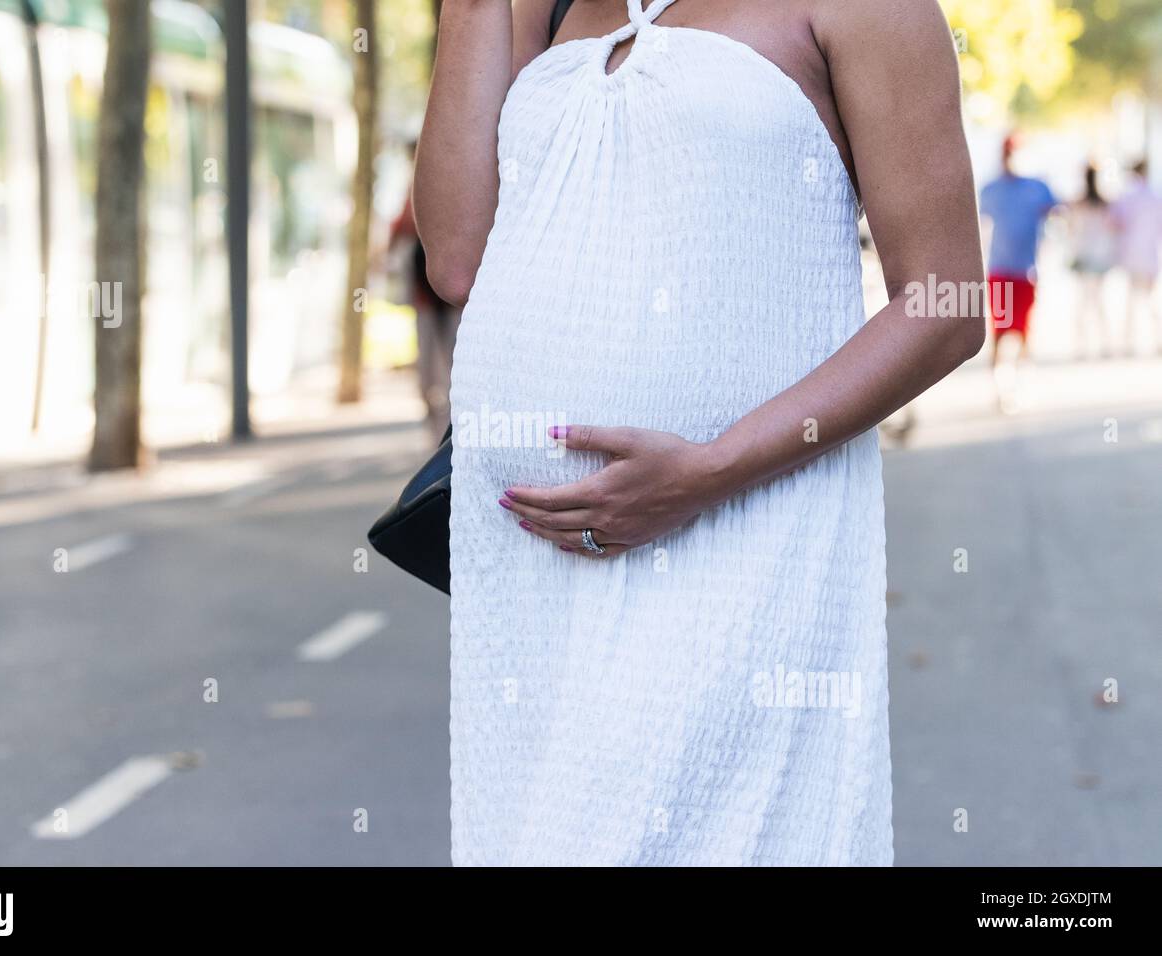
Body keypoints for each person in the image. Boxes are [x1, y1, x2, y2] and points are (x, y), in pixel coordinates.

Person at [415, 0, 984, 865]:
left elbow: (944, 307)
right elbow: (456, 256)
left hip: (738, 533)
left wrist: (710, 469)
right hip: (529, 574)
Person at [978, 135, 1058, 409]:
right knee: (1000, 330)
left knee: (1024, 330)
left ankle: (1022, 384)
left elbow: (1058, 212)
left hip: (1026, 271)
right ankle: (999, 389)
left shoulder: (1037, 187)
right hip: (1000, 269)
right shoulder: (991, 189)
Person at [387, 142, 460, 442]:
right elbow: (398, 233)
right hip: (425, 296)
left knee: (453, 363)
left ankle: (452, 429)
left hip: (452, 297)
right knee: (429, 367)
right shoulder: (412, 195)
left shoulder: (447, 187)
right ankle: (437, 431)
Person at [1110, 160, 1162, 356]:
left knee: (1132, 301)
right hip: (1150, 256)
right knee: (1149, 301)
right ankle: (1157, 340)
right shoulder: (1155, 197)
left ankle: (1128, 343)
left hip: (1132, 256)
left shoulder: (1128, 197)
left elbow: (1116, 223)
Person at [1066, 164, 1115, 359]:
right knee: (1098, 302)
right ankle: (1104, 343)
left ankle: (1081, 344)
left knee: (1083, 302)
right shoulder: (1105, 203)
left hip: (1083, 256)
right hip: (1099, 257)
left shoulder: (1078, 202)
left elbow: (1070, 229)